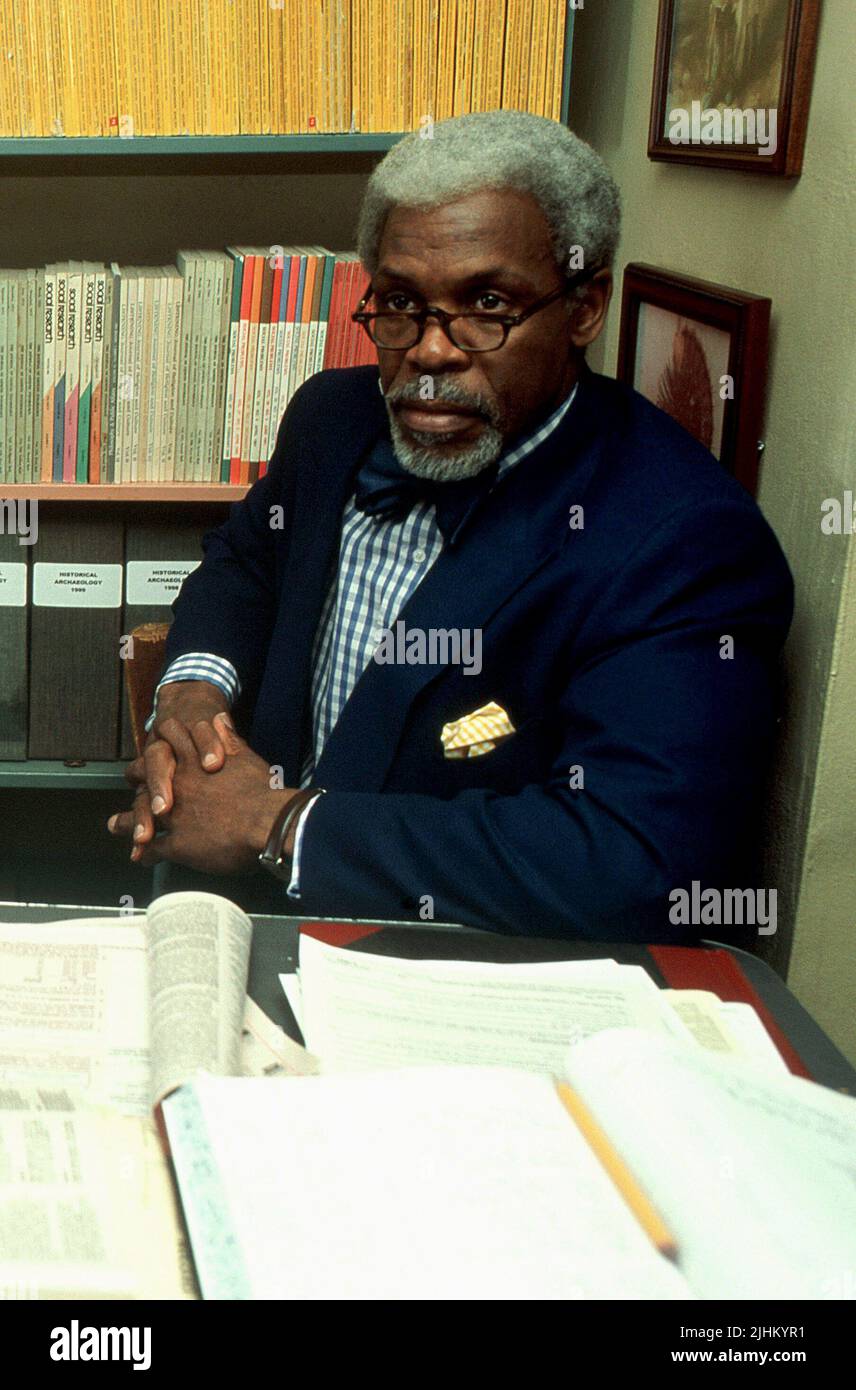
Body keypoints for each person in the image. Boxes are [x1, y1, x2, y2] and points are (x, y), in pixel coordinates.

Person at [108, 110, 792, 941]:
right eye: (399, 304)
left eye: (487, 305)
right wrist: (194, 688)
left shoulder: (683, 541)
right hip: (230, 926)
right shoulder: (331, 416)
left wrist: (276, 825)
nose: (430, 352)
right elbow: (247, 561)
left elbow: (637, 861)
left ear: (585, 308)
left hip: (449, 974)